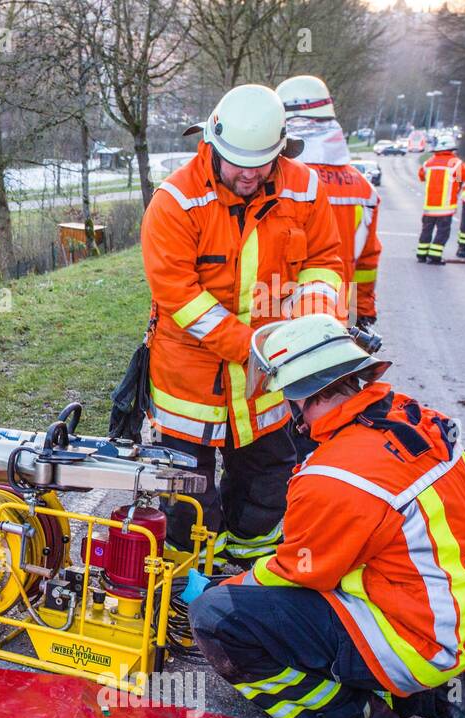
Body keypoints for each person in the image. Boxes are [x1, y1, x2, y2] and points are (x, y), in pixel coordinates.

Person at [188, 315, 465, 718]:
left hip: (411, 635)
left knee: (218, 618)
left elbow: (301, 571)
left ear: (305, 397)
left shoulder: (336, 474)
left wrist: (227, 588)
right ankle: (439, 690)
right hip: (450, 617)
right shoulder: (414, 418)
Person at [141, 83, 345, 564]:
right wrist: (251, 345)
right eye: (238, 164)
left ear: (280, 150)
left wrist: (314, 326)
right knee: (188, 496)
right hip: (191, 384)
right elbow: (179, 296)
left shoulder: (304, 189)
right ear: (211, 144)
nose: (249, 176)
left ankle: (248, 574)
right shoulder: (175, 202)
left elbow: (325, 261)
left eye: (261, 164)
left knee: (267, 484)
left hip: (267, 384)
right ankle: (190, 584)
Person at [275, 75, 381, 331]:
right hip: (337, 320)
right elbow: (367, 262)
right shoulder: (363, 189)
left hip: (275, 319)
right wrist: (363, 311)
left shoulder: (276, 180)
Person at [417, 136, 463, 264]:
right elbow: (459, 180)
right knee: (443, 232)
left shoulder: (428, 163)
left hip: (429, 206)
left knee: (426, 230)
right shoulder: (456, 162)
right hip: (445, 207)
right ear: (451, 149)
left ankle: (421, 254)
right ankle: (434, 256)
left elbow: (421, 177)